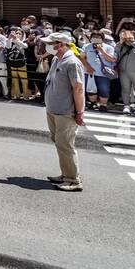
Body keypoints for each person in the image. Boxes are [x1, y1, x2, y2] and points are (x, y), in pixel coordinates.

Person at [41, 32, 86, 192]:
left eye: (50, 43)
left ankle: (73, 180)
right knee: (59, 142)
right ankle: (66, 173)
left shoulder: (72, 62)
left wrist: (80, 112)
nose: (47, 46)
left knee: (65, 144)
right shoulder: (56, 59)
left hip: (66, 111)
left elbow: (78, 88)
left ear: (60, 44)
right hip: (53, 109)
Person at [114, 26, 135, 117]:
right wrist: (121, 42)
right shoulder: (121, 46)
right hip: (124, 71)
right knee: (125, 90)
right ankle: (126, 106)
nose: (127, 39)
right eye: (126, 37)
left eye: (130, 37)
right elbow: (115, 52)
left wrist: (133, 42)